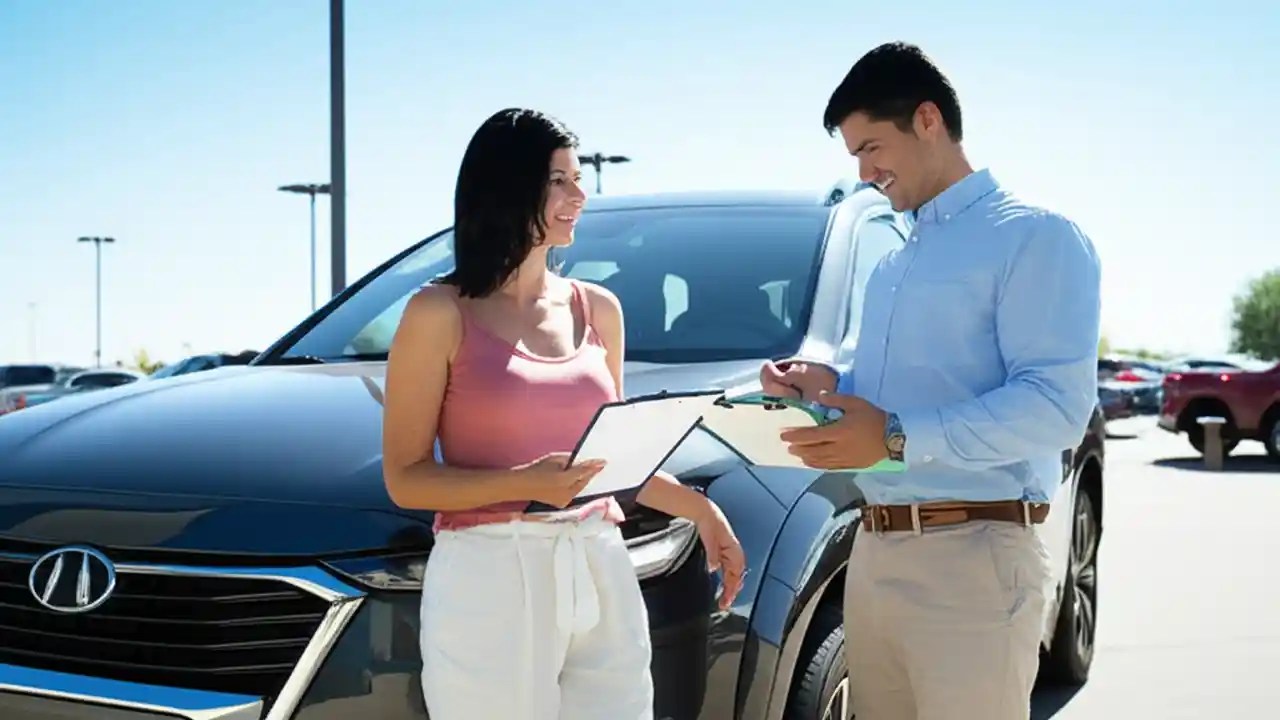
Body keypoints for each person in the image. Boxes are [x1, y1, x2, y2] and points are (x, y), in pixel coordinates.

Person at [763, 43, 1101, 719]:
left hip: (973, 564)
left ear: (927, 120)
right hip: (875, 556)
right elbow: (888, 386)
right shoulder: (893, 262)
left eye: (871, 147)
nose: (864, 171)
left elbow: (1056, 407)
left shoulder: (1036, 238)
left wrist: (891, 440)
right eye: (854, 155)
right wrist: (824, 385)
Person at [381, 108, 745, 720]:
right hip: (488, 574)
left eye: (579, 179)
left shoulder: (599, 310)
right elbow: (405, 476)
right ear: (507, 186)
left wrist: (701, 509)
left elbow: (611, 464)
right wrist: (527, 483)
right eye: (561, 181)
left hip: (600, 562)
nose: (581, 195)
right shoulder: (438, 312)